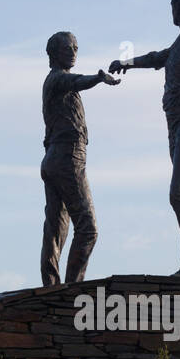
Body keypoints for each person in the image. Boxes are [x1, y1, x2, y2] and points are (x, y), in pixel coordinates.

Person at [109, 0, 180, 278]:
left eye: (172, 4)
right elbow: (158, 57)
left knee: (179, 192)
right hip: (178, 124)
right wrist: (127, 63)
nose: (170, 10)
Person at [40, 31, 120, 287]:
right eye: (68, 47)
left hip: (54, 159)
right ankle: (73, 289)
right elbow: (76, 81)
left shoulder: (56, 84)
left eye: (76, 47)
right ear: (54, 53)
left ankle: (52, 287)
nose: (73, 51)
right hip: (66, 158)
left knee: (56, 228)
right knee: (87, 228)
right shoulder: (57, 80)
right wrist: (97, 78)